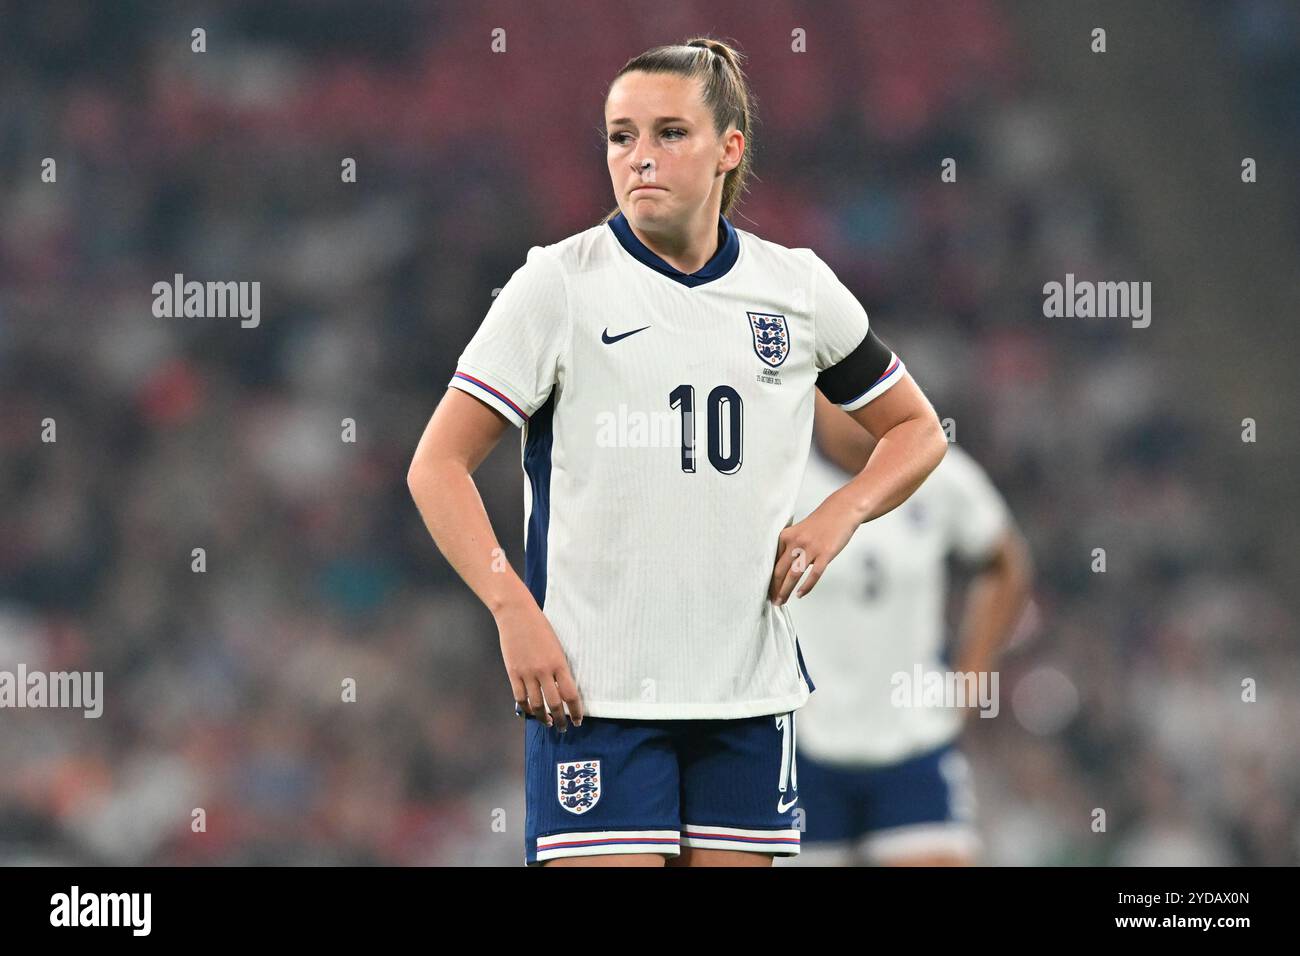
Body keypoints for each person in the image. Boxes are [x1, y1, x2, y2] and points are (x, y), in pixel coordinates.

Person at [406, 37, 948, 867]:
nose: (639, 159)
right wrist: (511, 607)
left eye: (669, 133)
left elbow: (916, 431)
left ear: (729, 149)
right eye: (621, 137)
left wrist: (839, 513)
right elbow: (437, 464)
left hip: (746, 689)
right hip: (594, 692)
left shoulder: (795, 288)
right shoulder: (558, 284)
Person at [781, 391, 1034, 866]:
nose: (856, 409)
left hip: (914, 738)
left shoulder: (934, 469)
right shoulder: (780, 477)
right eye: (839, 394)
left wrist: (972, 675)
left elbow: (1006, 563)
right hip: (800, 743)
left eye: (866, 393)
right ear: (814, 400)